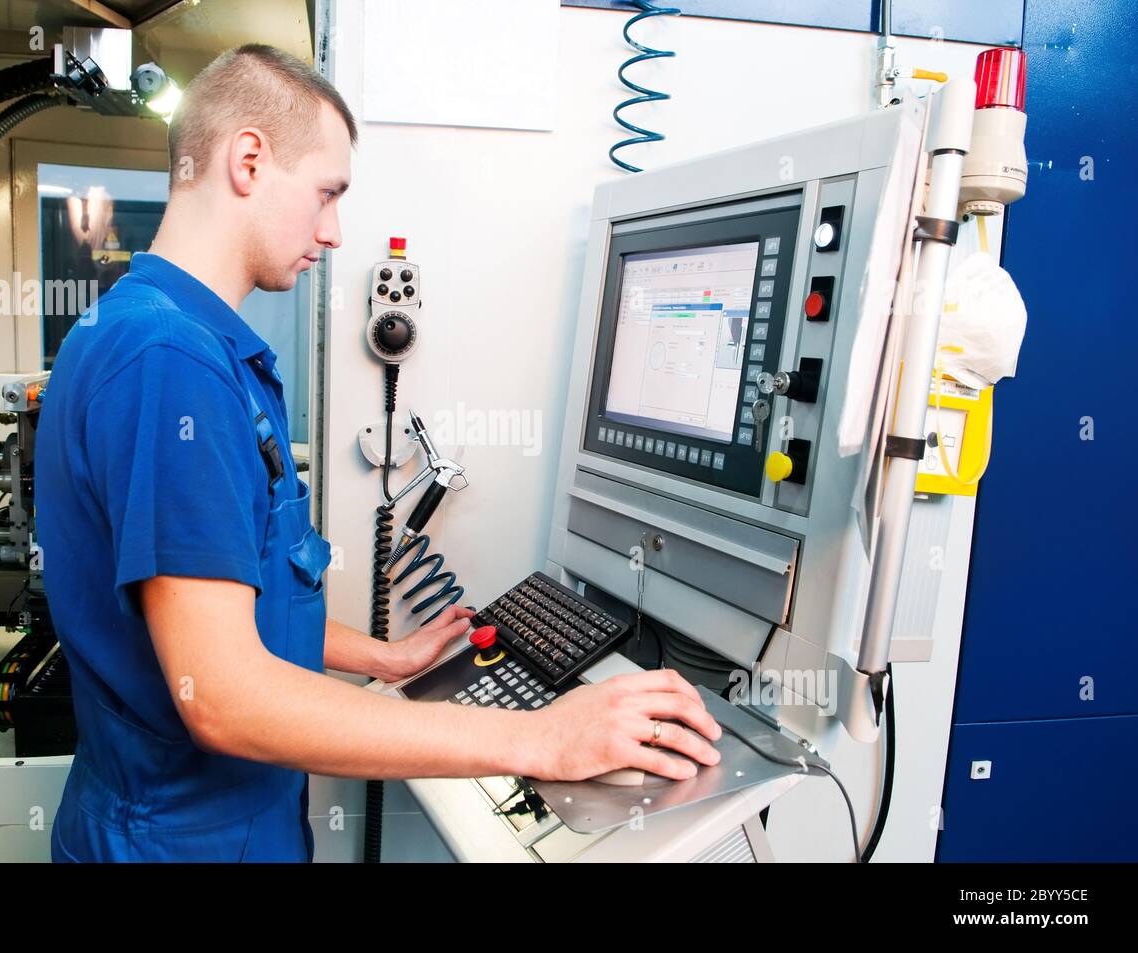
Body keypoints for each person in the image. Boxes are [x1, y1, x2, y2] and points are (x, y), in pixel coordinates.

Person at [36, 44, 721, 863]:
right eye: (327, 194)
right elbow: (220, 695)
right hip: (182, 840)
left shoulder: (161, 336)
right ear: (248, 160)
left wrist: (383, 655)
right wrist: (538, 739)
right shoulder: (170, 363)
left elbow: (216, 604)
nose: (331, 232)